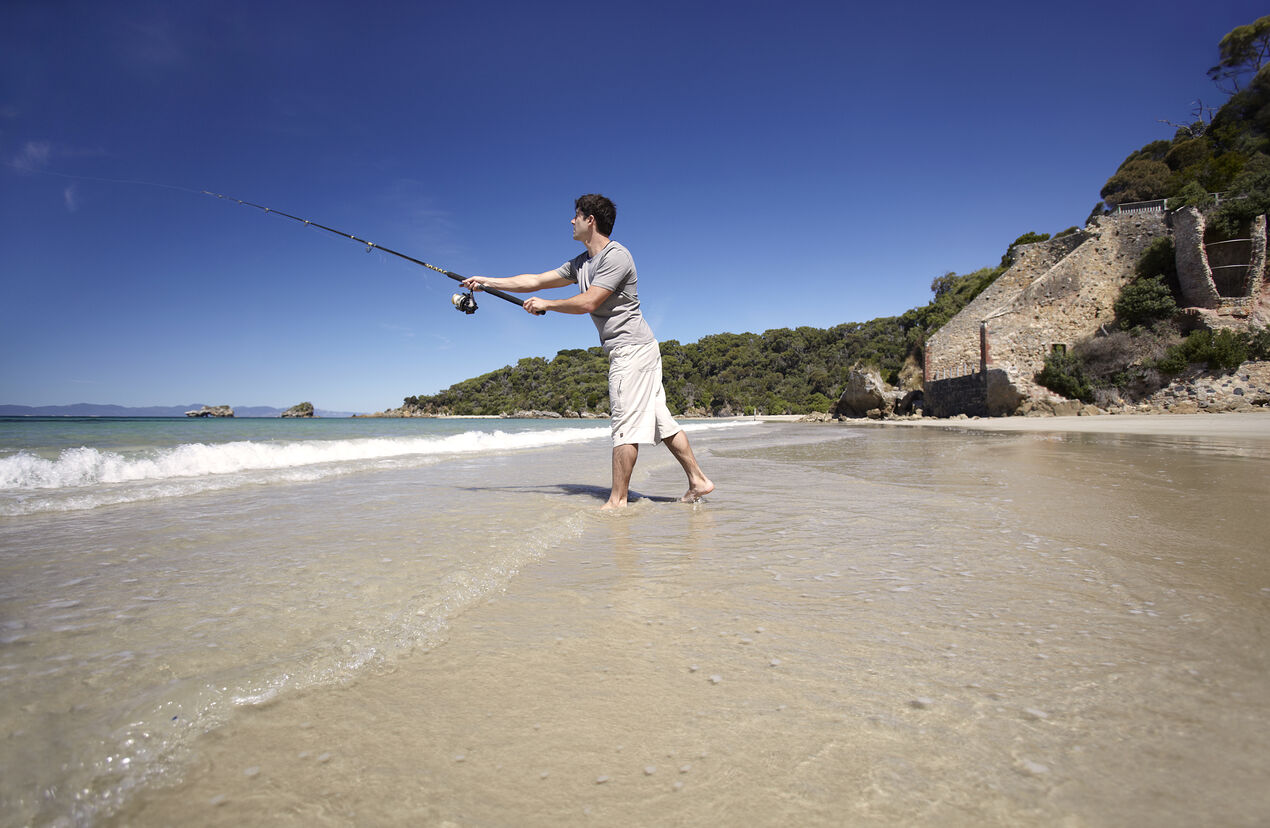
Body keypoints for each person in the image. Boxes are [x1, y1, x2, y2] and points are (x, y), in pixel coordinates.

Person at [461, 194, 714, 509]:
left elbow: (590, 301)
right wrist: (487, 282)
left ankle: (617, 501)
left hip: (631, 349)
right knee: (661, 421)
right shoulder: (580, 263)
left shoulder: (616, 256)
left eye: (576, 215)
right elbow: (535, 280)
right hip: (638, 348)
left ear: (590, 219)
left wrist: (548, 305)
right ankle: (698, 480)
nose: (572, 220)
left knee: (624, 426)